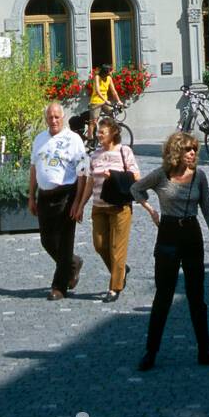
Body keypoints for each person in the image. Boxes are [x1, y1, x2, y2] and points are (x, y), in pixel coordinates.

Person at [131, 131, 209, 371]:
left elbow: (208, 209)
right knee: (163, 296)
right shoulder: (161, 176)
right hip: (168, 233)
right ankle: (151, 352)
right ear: (176, 152)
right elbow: (135, 188)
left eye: (194, 149)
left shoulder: (199, 177)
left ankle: (204, 350)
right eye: (187, 149)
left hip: (192, 234)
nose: (193, 153)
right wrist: (150, 209)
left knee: (197, 296)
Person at [77, 116, 145, 302]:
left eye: (102, 132)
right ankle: (121, 270)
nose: (98, 135)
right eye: (98, 131)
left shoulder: (124, 151)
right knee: (99, 245)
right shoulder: (95, 154)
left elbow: (136, 176)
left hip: (119, 206)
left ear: (113, 132)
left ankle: (114, 287)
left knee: (117, 247)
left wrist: (113, 175)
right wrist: (81, 205)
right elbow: (90, 181)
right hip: (98, 206)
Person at [28, 102, 88, 300]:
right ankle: (72, 264)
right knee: (47, 241)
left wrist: (78, 203)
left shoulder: (74, 139)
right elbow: (34, 168)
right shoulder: (39, 139)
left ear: (63, 118)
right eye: (50, 117)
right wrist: (31, 196)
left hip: (66, 194)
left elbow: (83, 173)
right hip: (45, 196)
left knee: (64, 243)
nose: (53, 120)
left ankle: (59, 287)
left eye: (57, 117)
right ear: (46, 119)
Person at [89, 63, 122, 135]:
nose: (112, 72)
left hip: (104, 102)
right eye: (110, 71)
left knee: (112, 114)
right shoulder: (97, 77)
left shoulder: (109, 78)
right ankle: (90, 140)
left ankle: (106, 131)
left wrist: (119, 101)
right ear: (106, 71)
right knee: (93, 121)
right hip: (96, 102)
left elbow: (113, 91)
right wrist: (105, 100)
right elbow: (97, 91)